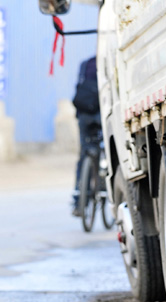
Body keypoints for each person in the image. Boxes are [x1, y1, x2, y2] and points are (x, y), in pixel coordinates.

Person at [72, 55, 101, 216]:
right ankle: (104, 189)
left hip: (84, 115)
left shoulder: (85, 64)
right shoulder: (108, 61)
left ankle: (78, 201)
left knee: (84, 154)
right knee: (105, 153)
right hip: (100, 115)